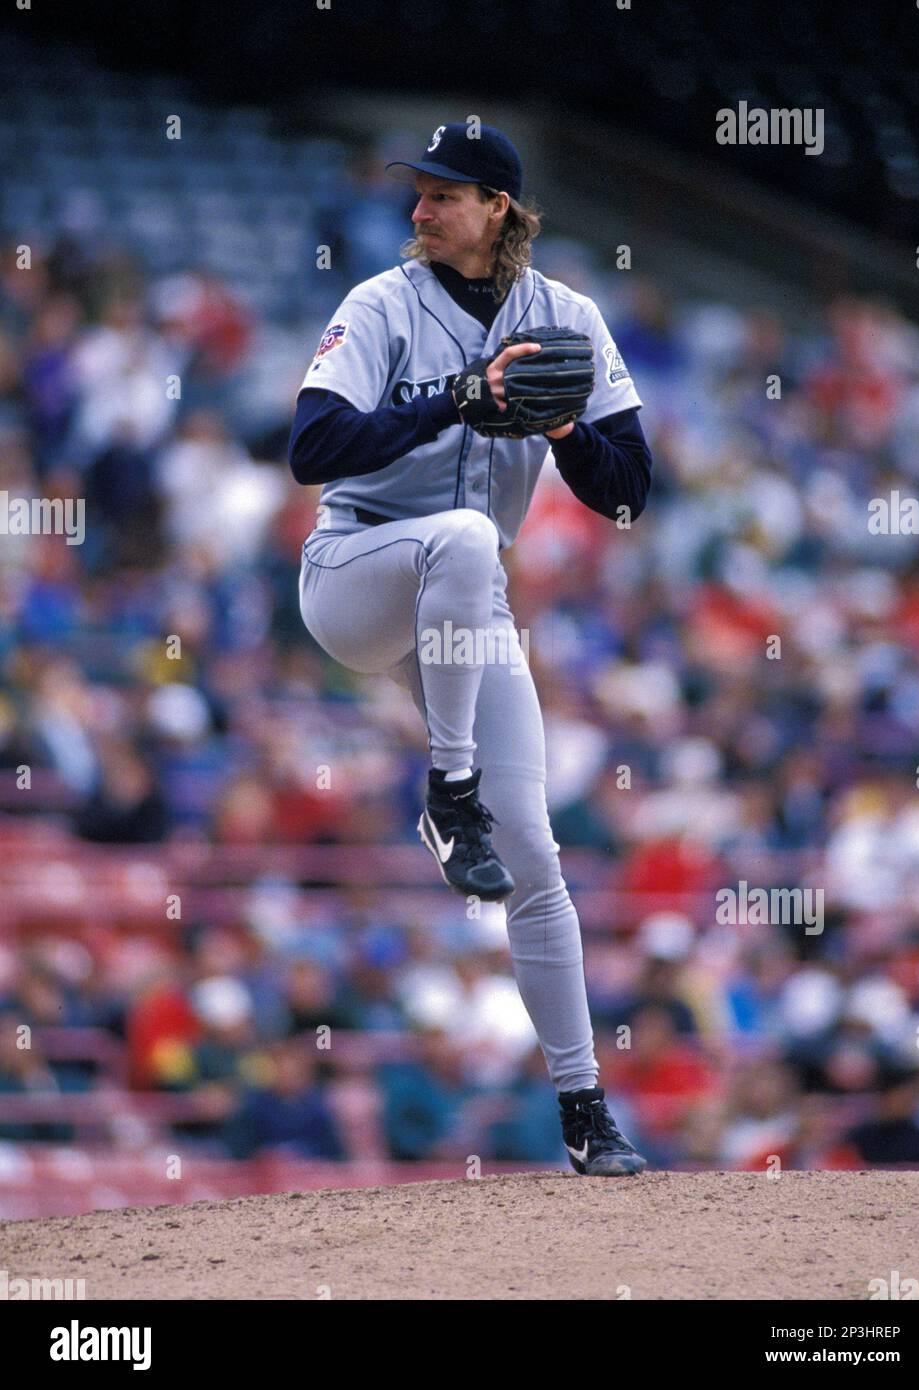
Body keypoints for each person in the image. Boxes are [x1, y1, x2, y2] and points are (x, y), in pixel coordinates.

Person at [288, 122, 652, 1176]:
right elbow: (310, 446)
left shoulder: (565, 317)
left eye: (442, 193)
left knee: (534, 855)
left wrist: (562, 432)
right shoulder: (380, 303)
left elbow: (627, 490)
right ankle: (449, 791)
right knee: (453, 538)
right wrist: (454, 397)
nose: (418, 209)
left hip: (467, 607)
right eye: (418, 191)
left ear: (496, 206)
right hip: (358, 573)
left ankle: (584, 1112)